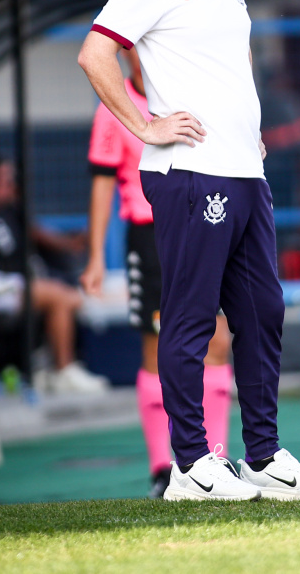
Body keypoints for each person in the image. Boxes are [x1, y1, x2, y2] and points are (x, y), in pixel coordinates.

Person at [77, 0, 300, 501]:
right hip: (190, 175)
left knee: (265, 310)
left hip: (243, 170)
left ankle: (263, 456)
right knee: (190, 321)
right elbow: (95, 53)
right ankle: (190, 464)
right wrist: (145, 127)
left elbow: (224, 59)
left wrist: (241, 121)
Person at [80, 48, 234, 499]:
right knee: (159, 348)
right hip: (150, 240)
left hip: (202, 227)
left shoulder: (192, 96)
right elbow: (102, 184)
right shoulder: (114, 109)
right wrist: (94, 256)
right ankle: (163, 468)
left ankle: (217, 458)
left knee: (218, 339)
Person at [0, 153, 108, 395]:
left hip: (20, 285)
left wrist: (70, 243)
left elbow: (39, 235)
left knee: (71, 295)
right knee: (61, 297)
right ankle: (62, 369)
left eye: (10, 181)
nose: (8, 187)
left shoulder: (12, 211)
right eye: (1, 181)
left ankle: (55, 365)